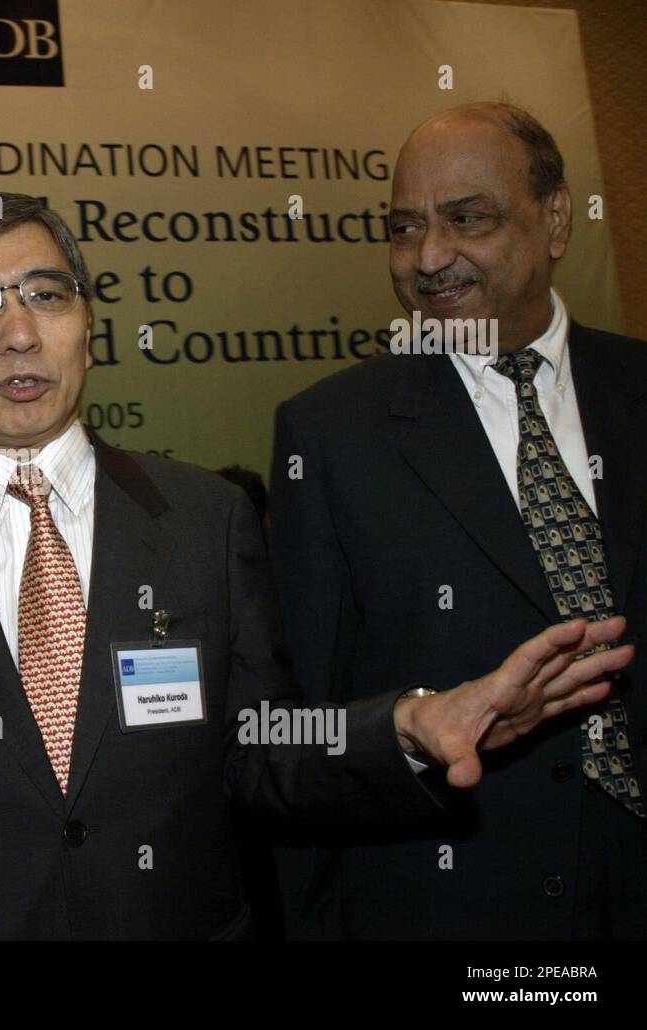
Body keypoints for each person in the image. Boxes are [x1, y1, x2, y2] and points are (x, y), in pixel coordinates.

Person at [0, 191, 630, 939]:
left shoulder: (206, 520)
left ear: (89, 329)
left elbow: (263, 750)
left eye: (47, 294)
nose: (20, 333)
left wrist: (402, 728)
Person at [271, 102, 647, 939]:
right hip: (464, 900)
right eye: (404, 229)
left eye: (465, 219)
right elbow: (301, 728)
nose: (429, 258)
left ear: (556, 221)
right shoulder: (331, 435)